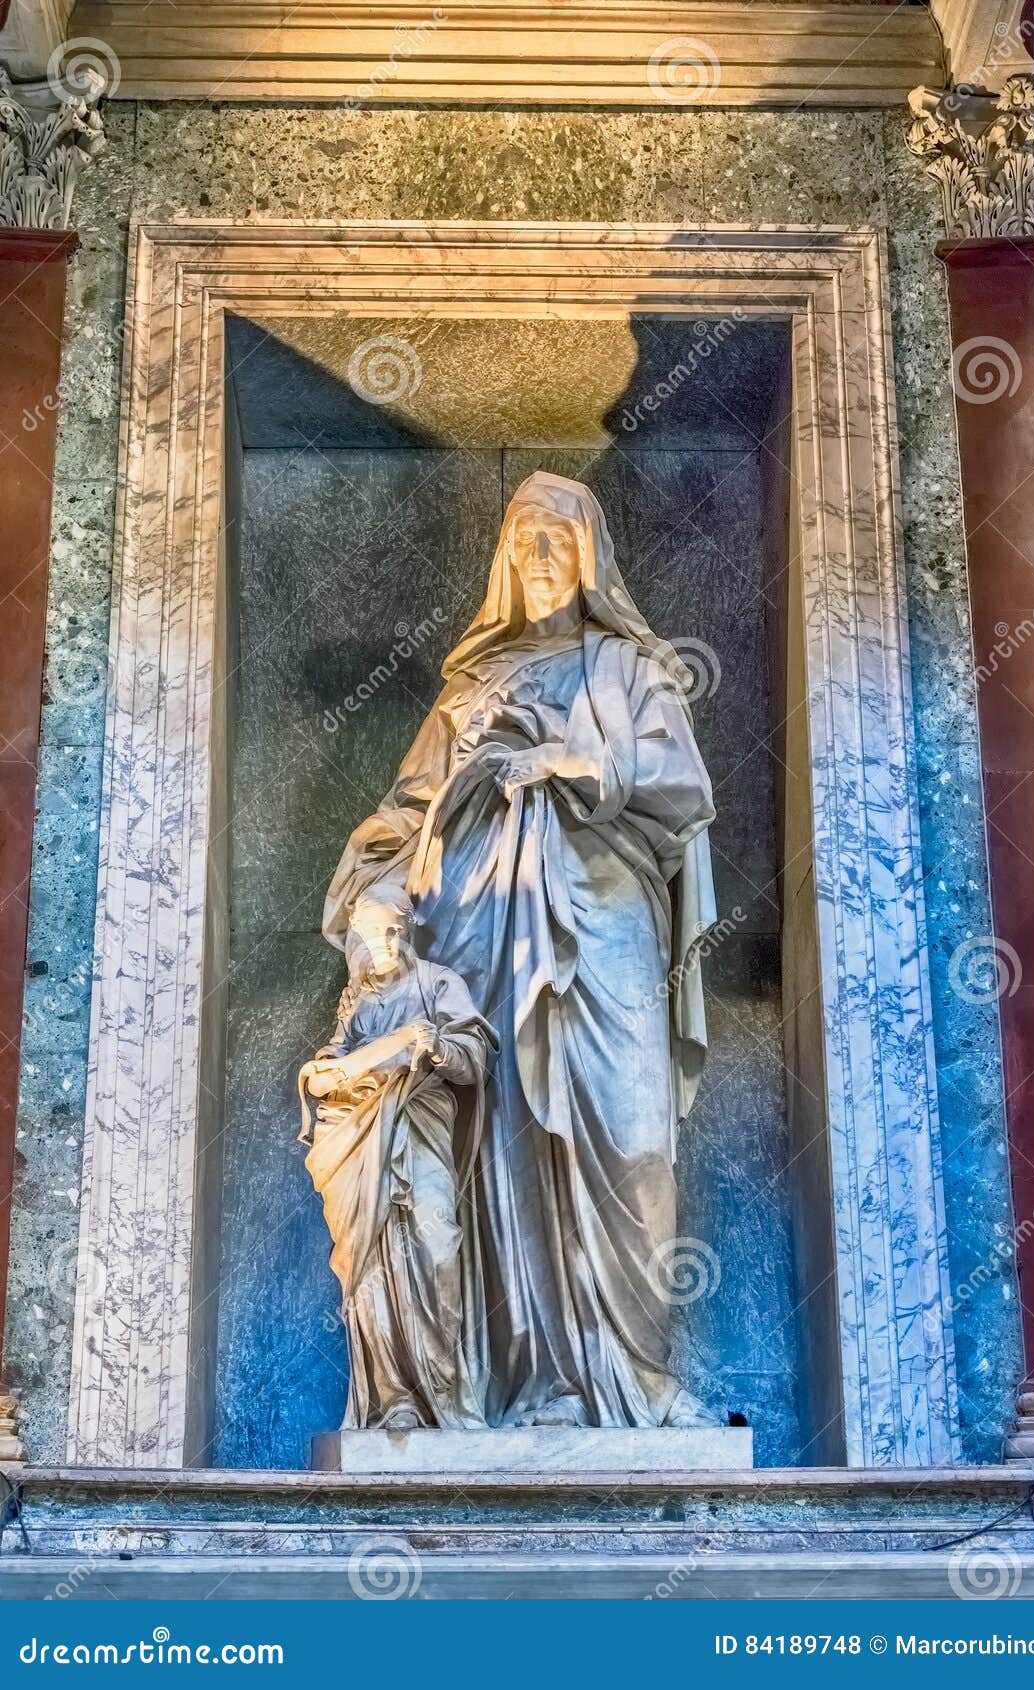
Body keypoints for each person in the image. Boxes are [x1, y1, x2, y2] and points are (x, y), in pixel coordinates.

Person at [323, 472, 718, 1429]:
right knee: (495, 1137)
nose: (543, 558)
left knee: (631, 1140)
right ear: (505, 559)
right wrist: (379, 892)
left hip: (608, 920)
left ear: (592, 557)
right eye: (526, 540)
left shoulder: (633, 669)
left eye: (561, 540)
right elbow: (400, 818)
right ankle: (516, 1382)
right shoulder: (467, 691)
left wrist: (564, 761)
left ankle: (639, 1382)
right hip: (476, 926)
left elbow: (679, 784)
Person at [299, 881, 496, 1430]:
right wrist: (326, 1069)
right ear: (359, 934)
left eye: (393, 930)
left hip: (420, 1131)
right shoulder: (356, 999)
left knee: (439, 1249)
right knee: (367, 1265)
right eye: (372, 932)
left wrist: (438, 1046)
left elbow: (475, 1057)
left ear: (408, 929)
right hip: (358, 1142)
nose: (383, 941)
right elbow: (333, 1061)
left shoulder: (438, 984)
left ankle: (445, 1391)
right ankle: (394, 1400)